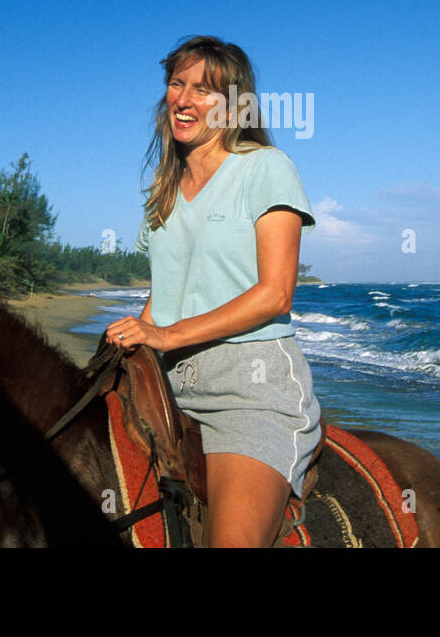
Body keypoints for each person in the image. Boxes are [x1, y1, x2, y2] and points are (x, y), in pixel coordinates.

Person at [104, 35, 322, 547]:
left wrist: (165, 335)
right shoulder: (162, 192)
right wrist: (131, 344)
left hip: (251, 393)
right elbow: (165, 297)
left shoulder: (264, 168)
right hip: (167, 387)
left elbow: (275, 294)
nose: (184, 99)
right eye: (177, 84)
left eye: (204, 90)